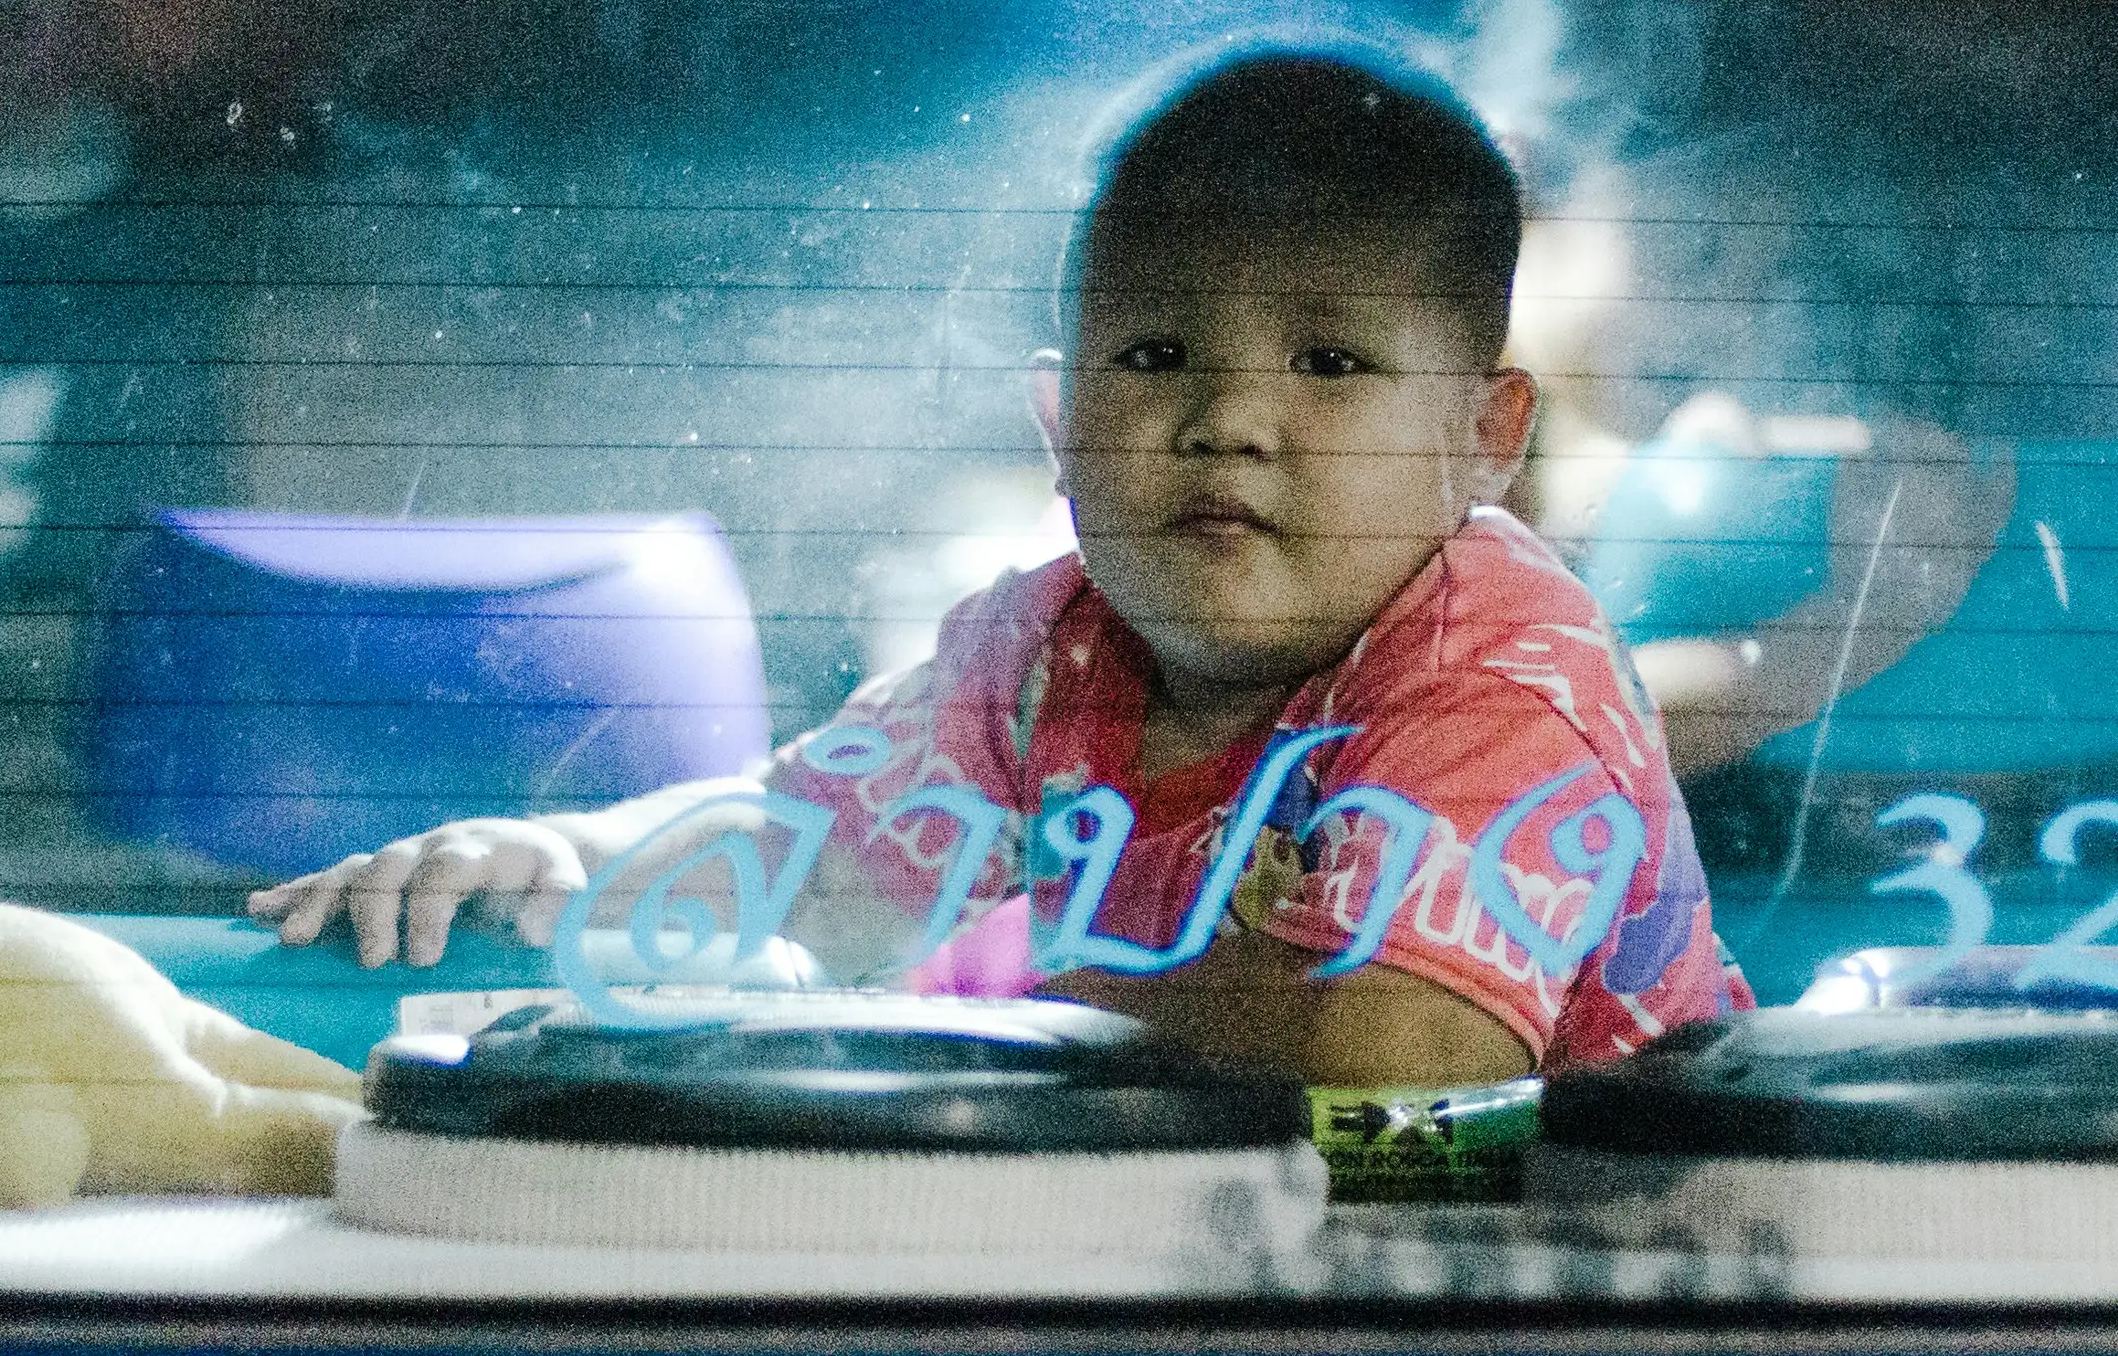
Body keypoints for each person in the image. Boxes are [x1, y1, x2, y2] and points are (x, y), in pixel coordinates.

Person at [246, 52, 1748, 1086]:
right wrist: (563, 864)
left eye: (1331, 362)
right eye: (1156, 357)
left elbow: (1401, 1065)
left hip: (1580, 1311)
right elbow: (802, 851)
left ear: (1483, 441)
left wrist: (1010, 996)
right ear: (1058, 420)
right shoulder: (1049, 659)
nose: (1230, 422)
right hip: (1220, 1270)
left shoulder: (1500, 666)